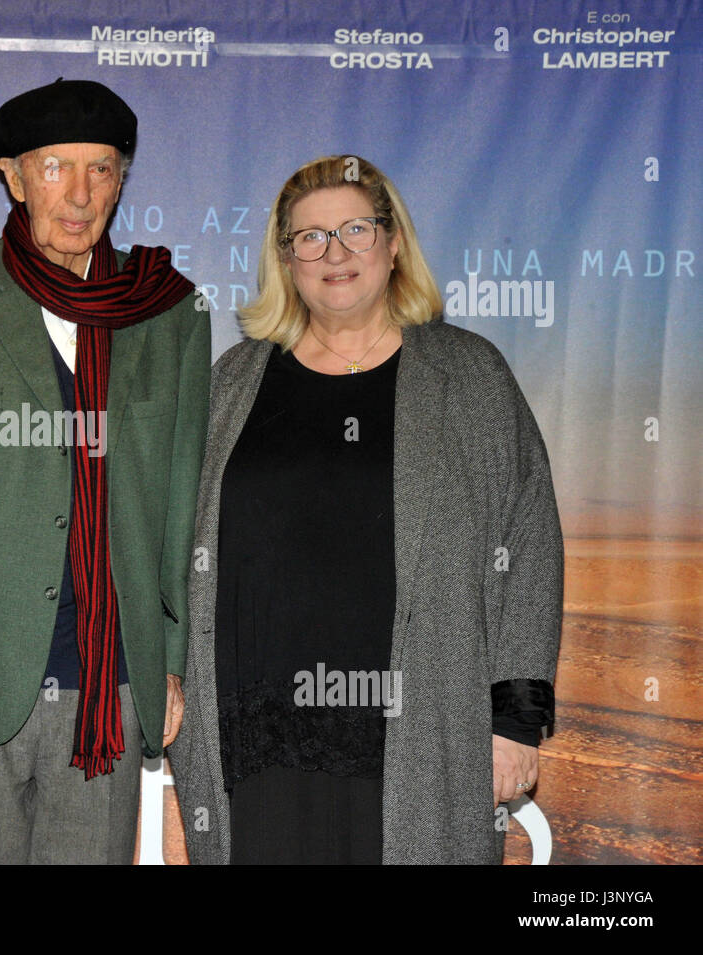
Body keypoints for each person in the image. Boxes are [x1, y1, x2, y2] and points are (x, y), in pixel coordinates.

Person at [169, 155, 563, 864]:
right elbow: (179, 542)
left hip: (422, 734)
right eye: (310, 237)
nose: (336, 253)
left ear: (394, 243)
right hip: (260, 734)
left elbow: (527, 544)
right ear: (285, 261)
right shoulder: (234, 381)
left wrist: (515, 722)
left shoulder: (470, 376)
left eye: (355, 228)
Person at [0, 79, 210, 864]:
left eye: (102, 169)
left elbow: (177, 509)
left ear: (123, 180)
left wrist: (167, 659)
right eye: (55, 167)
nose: (80, 193)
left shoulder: (168, 314)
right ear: (13, 177)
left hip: (109, 689)